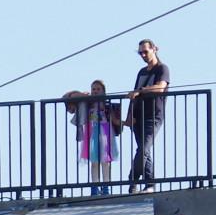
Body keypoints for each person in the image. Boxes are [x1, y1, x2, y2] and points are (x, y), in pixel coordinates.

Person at [124, 39, 170, 193]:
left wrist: (142, 91)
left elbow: (160, 88)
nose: (143, 55)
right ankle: (150, 183)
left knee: (143, 149)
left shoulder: (162, 68)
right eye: (140, 53)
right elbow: (134, 94)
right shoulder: (141, 72)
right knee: (144, 150)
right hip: (138, 115)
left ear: (154, 49)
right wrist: (130, 115)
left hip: (153, 115)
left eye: (145, 51)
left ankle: (133, 181)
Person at [64, 81, 120, 195]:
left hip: (104, 131)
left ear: (103, 91)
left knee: (105, 161)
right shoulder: (87, 103)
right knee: (94, 161)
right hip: (92, 131)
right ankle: (95, 187)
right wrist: (86, 95)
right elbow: (70, 95)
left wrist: (126, 123)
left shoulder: (107, 104)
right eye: (93, 89)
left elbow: (114, 120)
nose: (95, 91)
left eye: (98, 89)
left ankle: (106, 187)